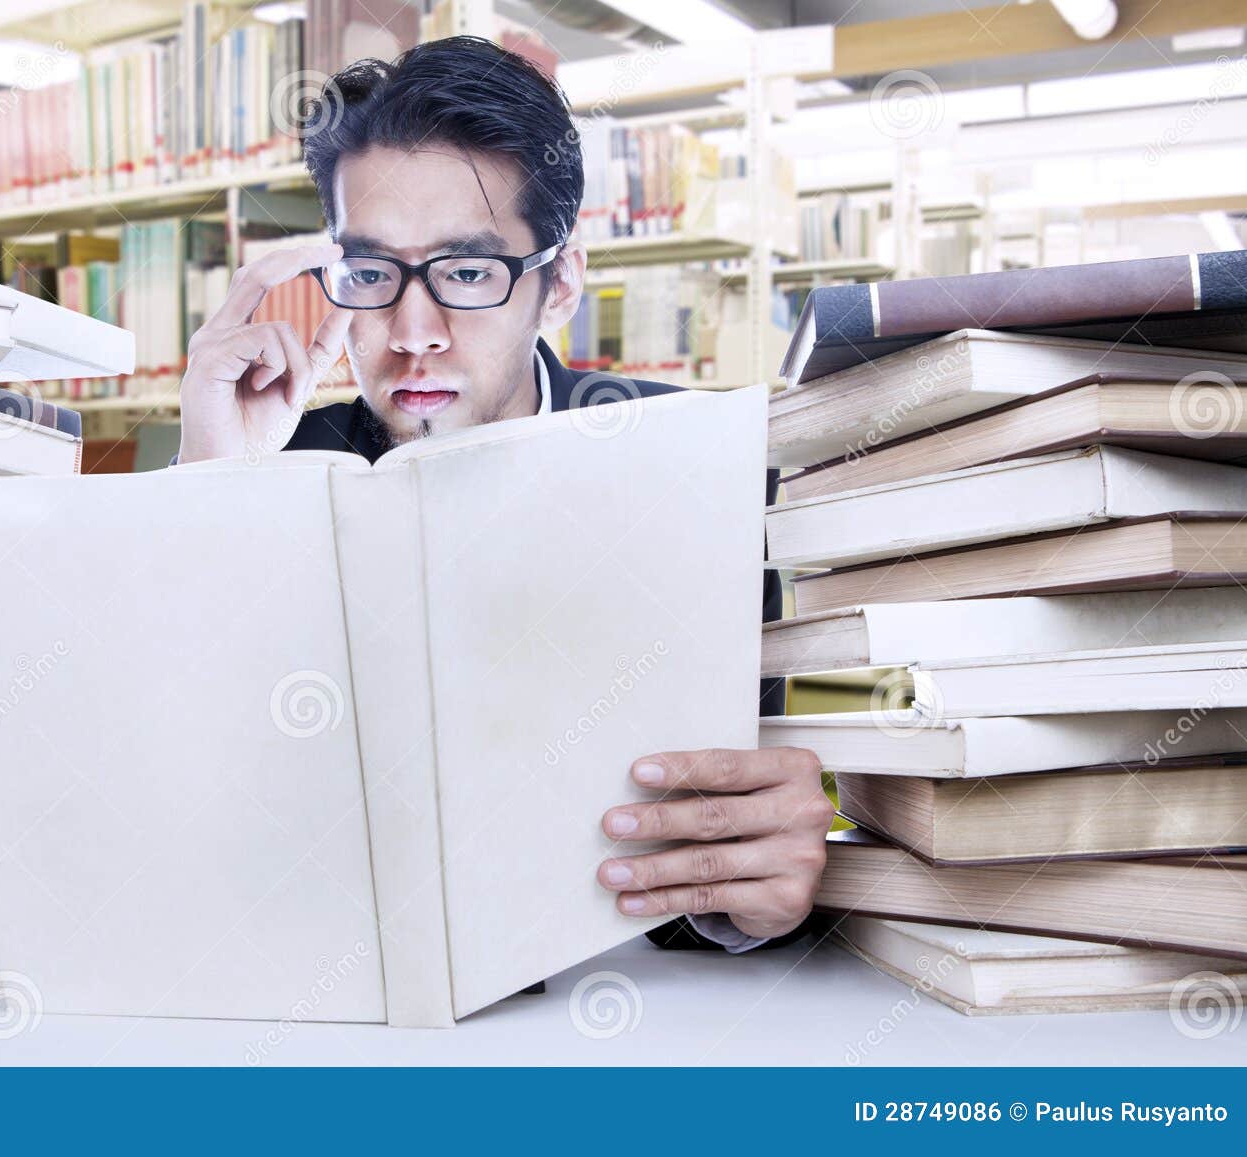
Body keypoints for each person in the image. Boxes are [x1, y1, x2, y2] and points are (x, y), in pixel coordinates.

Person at [174, 36, 832, 954]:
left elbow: (732, 833)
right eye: (370, 272)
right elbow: (182, 822)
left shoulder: (694, 469)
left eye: (467, 273)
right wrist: (212, 489)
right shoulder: (281, 464)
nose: (412, 333)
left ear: (558, 283)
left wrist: (756, 894)